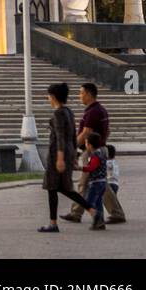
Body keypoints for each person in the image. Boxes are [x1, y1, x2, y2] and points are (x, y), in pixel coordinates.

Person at [62, 83, 126, 225]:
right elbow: (107, 131)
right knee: (97, 184)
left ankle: (77, 213)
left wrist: (72, 149)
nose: (80, 96)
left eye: (81, 93)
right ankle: (114, 213)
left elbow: (86, 133)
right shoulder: (100, 110)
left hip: (92, 152)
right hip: (98, 149)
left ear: (89, 94)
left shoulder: (92, 112)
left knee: (86, 184)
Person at [38, 82, 91, 233]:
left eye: (49, 96)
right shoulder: (68, 111)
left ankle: (53, 223)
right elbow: (73, 136)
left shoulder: (59, 113)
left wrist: (60, 159)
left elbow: (61, 136)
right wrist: (73, 155)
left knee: (52, 187)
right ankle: (93, 211)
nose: (48, 98)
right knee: (63, 188)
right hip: (67, 152)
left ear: (53, 97)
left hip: (57, 154)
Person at [78, 132, 110, 231]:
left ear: (90, 145)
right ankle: (101, 223)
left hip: (96, 183)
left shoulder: (96, 155)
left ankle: (97, 220)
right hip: (102, 182)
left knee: (88, 202)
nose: (85, 144)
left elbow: (92, 168)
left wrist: (80, 168)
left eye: (86, 143)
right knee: (98, 203)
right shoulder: (100, 153)